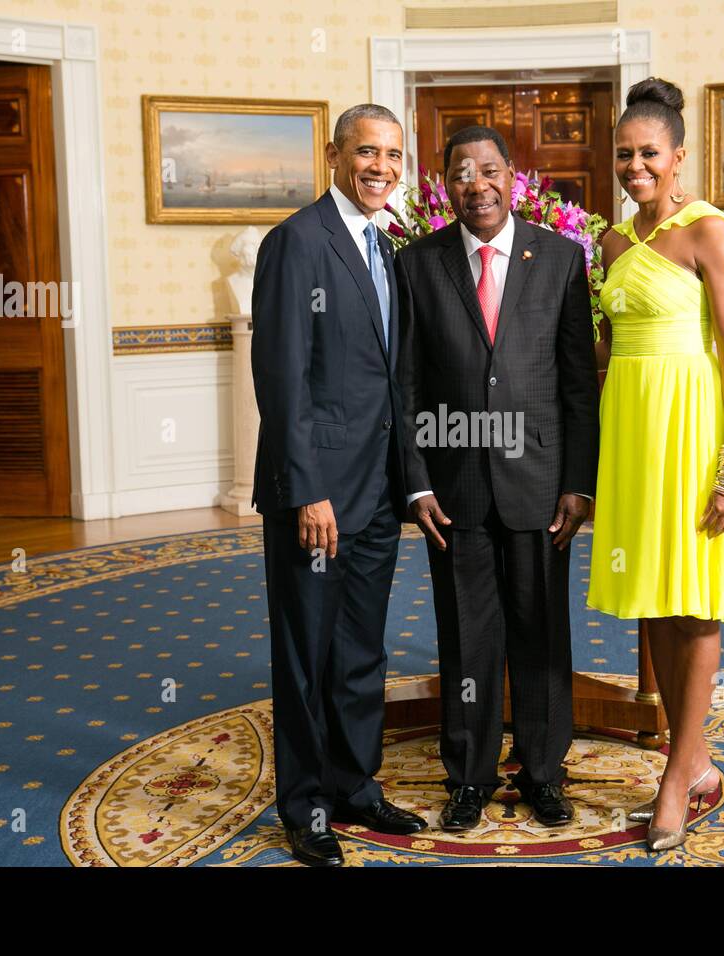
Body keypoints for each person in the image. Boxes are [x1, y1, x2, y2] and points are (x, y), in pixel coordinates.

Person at [586, 78, 724, 851]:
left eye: (649, 154)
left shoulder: (711, 234)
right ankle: (692, 755)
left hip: (695, 433)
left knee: (694, 601)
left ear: (679, 156)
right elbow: (603, 347)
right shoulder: (608, 243)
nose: (636, 166)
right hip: (631, 431)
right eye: (625, 154)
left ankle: (674, 774)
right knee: (654, 596)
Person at [396, 125, 600, 832]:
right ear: (444, 184)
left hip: (541, 484)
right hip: (454, 489)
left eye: (488, 171)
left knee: (542, 632)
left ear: (513, 177)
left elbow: (578, 382)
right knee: (467, 635)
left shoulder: (561, 259)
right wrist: (417, 483)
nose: (475, 184)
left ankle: (544, 771)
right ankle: (470, 776)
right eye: (460, 173)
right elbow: (408, 384)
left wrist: (580, 482)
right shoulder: (416, 263)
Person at [251, 103, 427, 867]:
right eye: (366, 152)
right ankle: (307, 806)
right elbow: (281, 378)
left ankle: (356, 785)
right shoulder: (296, 242)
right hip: (317, 497)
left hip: (378, 495)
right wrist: (307, 490)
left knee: (361, 652)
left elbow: (391, 381)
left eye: (392, 154)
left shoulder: (388, 248)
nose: (381, 167)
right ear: (333, 155)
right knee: (306, 656)